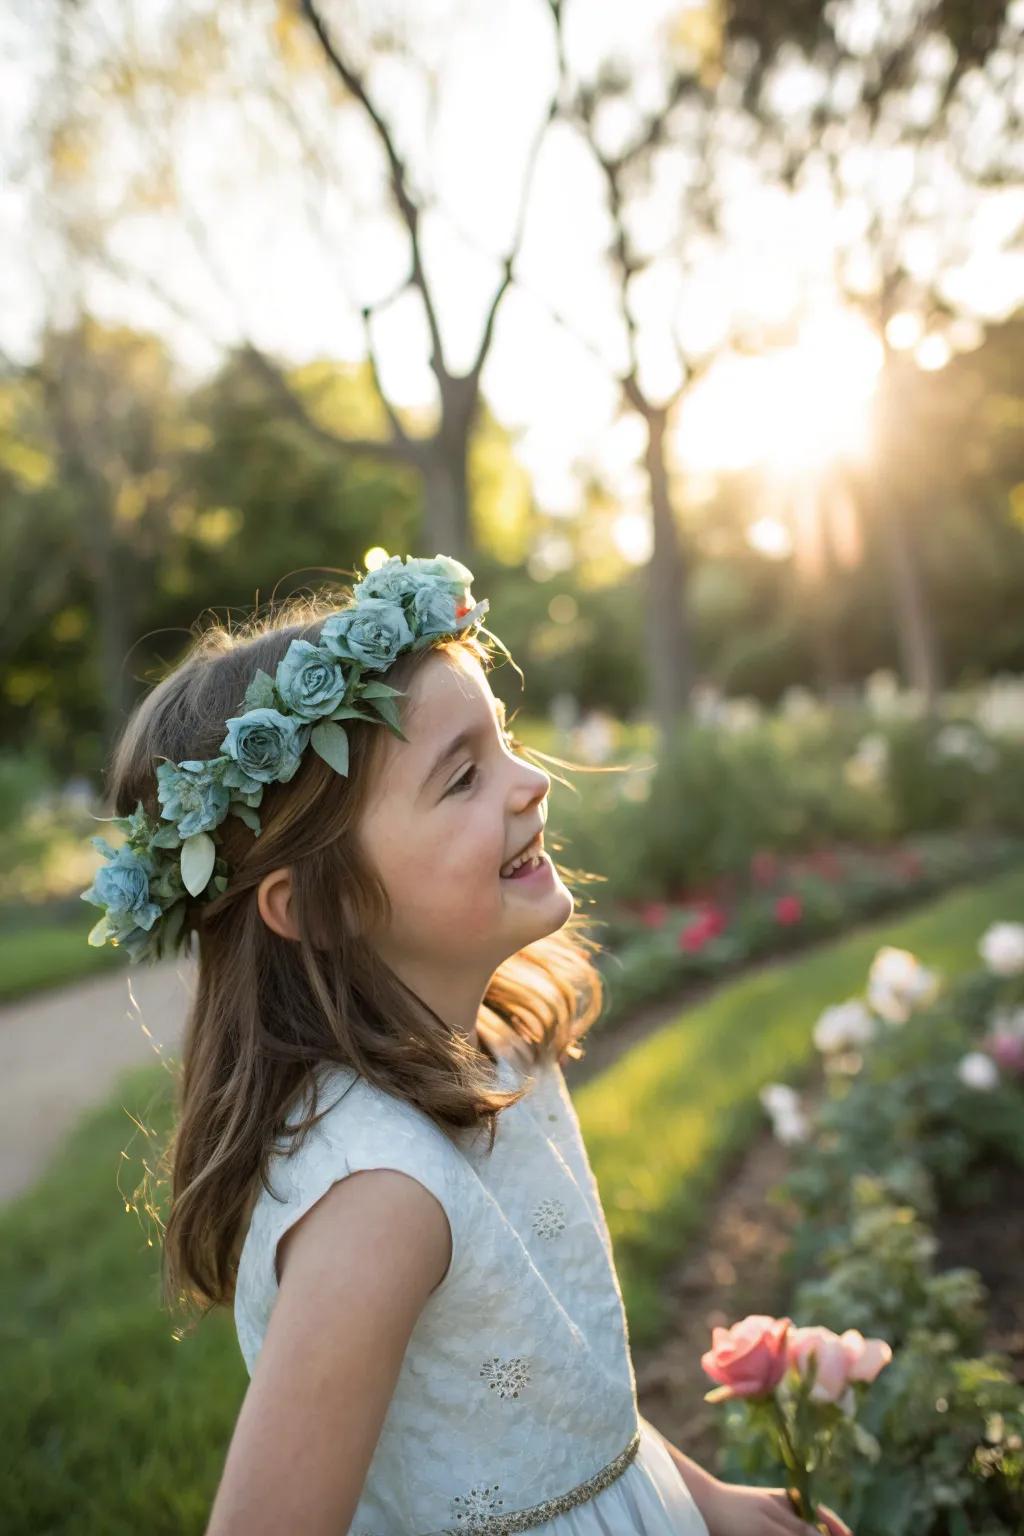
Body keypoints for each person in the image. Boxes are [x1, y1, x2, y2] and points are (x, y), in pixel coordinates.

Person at [82, 553, 853, 1536]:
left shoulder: (497, 1053)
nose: (531, 783)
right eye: (462, 778)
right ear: (315, 906)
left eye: (506, 742)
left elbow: (561, 1403)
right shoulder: (379, 1200)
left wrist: (700, 1501)